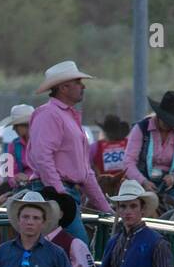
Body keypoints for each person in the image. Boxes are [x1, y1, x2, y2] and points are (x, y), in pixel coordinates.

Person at [27, 59, 114, 246]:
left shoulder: (65, 116)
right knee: (79, 248)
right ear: (64, 87)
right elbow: (42, 157)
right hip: (53, 193)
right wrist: (60, 194)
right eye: (78, 82)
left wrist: (105, 208)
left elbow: (85, 172)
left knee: (76, 252)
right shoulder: (50, 114)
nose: (83, 86)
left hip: (63, 193)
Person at [123, 90, 174, 211]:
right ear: (159, 115)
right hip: (139, 184)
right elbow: (128, 162)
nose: (170, 124)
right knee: (129, 211)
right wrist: (143, 181)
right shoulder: (141, 129)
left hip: (169, 186)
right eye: (167, 120)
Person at [0, 104, 35, 190]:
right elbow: (9, 174)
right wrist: (14, 179)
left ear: (25, 125)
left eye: (16, 125)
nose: (13, 128)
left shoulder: (42, 143)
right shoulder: (13, 145)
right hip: (21, 188)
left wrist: (28, 177)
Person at [90, 114, 130, 195]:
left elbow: (87, 165)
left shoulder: (94, 147)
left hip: (103, 188)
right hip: (126, 186)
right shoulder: (129, 144)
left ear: (104, 131)